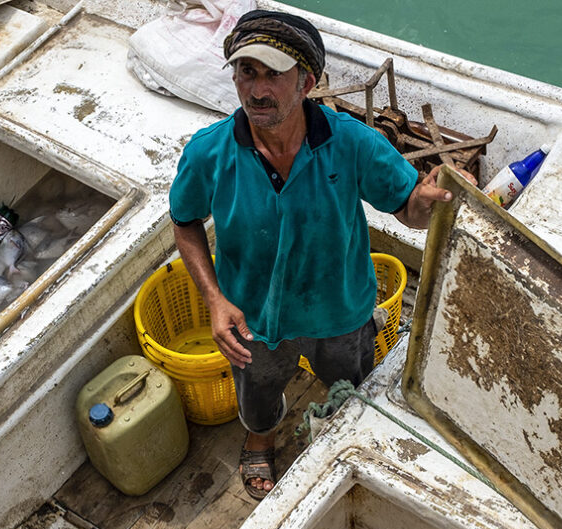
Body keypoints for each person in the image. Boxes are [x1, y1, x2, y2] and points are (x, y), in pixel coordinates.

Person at [169, 10, 466, 500]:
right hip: (254, 318)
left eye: (272, 74)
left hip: (341, 311)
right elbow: (185, 224)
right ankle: (260, 438)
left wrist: (430, 202)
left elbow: (408, 208)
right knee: (258, 392)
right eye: (246, 72)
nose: (257, 90)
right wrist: (215, 301)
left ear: (307, 81)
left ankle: (353, 445)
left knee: (351, 390)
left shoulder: (352, 143)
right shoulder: (208, 153)